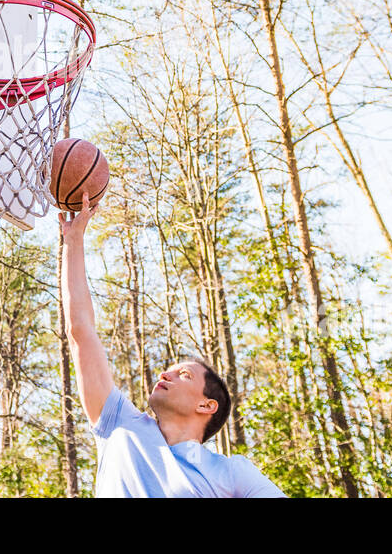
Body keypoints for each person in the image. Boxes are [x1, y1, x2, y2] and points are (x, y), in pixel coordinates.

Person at [60, 193, 285, 498]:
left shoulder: (230, 473)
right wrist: (73, 240)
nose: (167, 374)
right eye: (171, 370)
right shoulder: (119, 423)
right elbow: (81, 331)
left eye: (185, 375)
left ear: (206, 405)